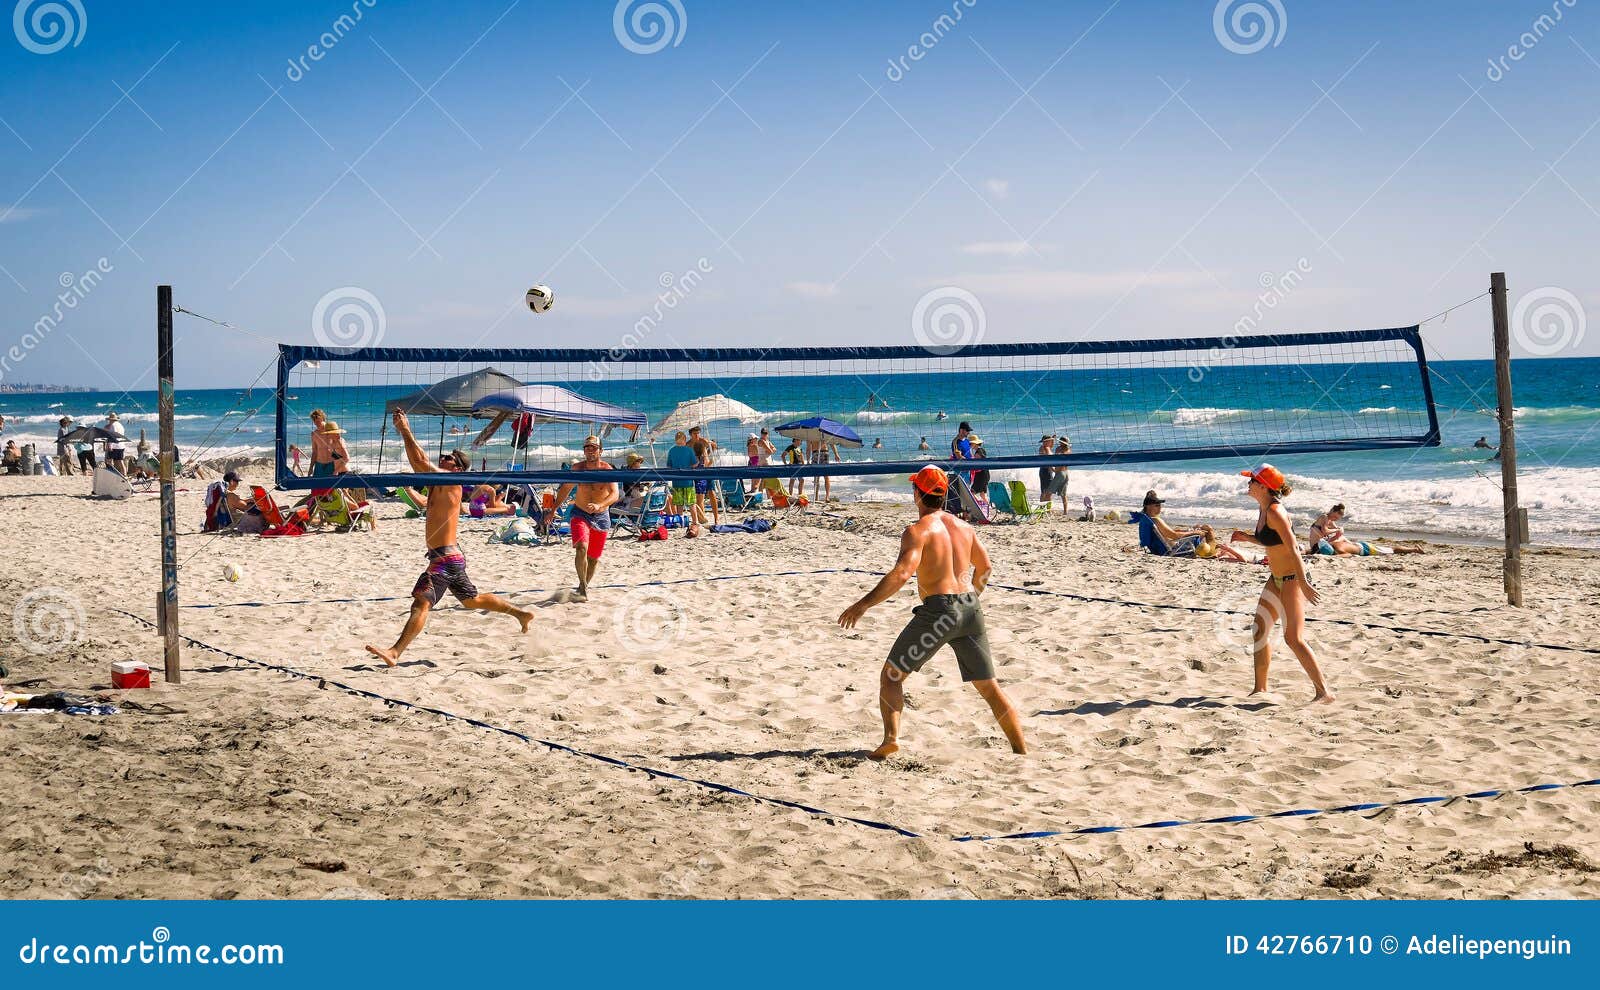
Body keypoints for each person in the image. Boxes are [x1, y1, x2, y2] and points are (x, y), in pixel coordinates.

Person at [838, 465, 1027, 761]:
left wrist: (862, 605)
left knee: (891, 677)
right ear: (944, 494)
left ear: (917, 494)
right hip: (969, 608)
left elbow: (901, 574)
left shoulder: (917, 531)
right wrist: (971, 596)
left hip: (939, 612)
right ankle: (1020, 750)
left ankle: (891, 740)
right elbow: (986, 568)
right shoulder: (965, 527)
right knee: (989, 688)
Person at [365, 411, 532, 667]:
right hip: (452, 556)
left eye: (449, 458)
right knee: (471, 600)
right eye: (444, 456)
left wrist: (405, 430)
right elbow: (421, 482)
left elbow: (420, 460)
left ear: (458, 469)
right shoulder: (438, 484)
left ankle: (396, 651)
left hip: (444, 558)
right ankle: (520, 613)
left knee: (421, 602)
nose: (443, 457)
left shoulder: (451, 482)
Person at [1228, 464, 1332, 703]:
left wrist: (1304, 583)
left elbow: (1294, 548)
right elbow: (1272, 542)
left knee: (1293, 638)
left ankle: (1324, 692)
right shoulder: (1264, 507)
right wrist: (1247, 538)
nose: (1248, 484)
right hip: (1275, 579)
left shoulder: (1276, 512)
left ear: (1263, 486)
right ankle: (1260, 689)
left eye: (1252, 480)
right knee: (1260, 629)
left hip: (1292, 580)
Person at [553, 436, 620, 601]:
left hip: (601, 515)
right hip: (580, 513)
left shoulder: (607, 470)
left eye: (594, 447)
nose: (590, 450)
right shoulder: (577, 468)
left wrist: (600, 505)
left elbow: (615, 494)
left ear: (601, 450)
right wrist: (553, 509)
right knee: (581, 547)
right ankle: (582, 589)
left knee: (593, 559)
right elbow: (566, 489)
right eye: (587, 447)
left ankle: (583, 586)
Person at [1308, 503, 1424, 556]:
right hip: (1362, 547)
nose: (1334, 519)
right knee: (1391, 549)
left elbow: (1335, 534)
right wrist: (1337, 531)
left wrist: (1339, 530)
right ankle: (1414, 549)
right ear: (1332, 511)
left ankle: (1414, 549)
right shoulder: (1324, 517)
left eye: (1336, 519)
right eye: (1334, 517)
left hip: (1359, 547)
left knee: (1391, 549)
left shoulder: (1330, 524)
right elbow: (1325, 531)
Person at [688, 425, 720, 525]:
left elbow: (715, 446)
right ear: (690, 434)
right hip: (696, 471)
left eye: (698, 433)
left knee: (712, 494)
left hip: (707, 469)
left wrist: (709, 451)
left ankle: (716, 518)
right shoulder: (688, 444)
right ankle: (702, 518)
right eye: (695, 434)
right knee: (699, 497)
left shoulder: (703, 441)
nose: (697, 435)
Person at [308, 409, 348, 477]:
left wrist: (340, 466)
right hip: (319, 464)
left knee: (330, 486)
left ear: (323, 419)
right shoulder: (314, 434)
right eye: (314, 421)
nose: (316, 423)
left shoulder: (331, 431)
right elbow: (314, 452)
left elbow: (340, 447)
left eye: (318, 420)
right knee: (316, 486)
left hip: (331, 464)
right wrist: (311, 467)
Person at [1051, 435, 1072, 513]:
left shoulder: (1066, 450)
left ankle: (1047, 510)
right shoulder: (1059, 448)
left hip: (1061, 473)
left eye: (1061, 441)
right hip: (1062, 473)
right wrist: (1053, 439)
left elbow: (1062, 458)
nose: (1060, 442)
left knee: (1049, 492)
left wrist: (1054, 470)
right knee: (1063, 494)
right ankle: (1065, 512)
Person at [1036, 434, 1056, 504]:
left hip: (1042, 470)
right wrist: (1053, 469)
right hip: (1047, 471)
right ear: (1048, 441)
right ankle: (1047, 509)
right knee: (1049, 492)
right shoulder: (1046, 448)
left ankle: (1042, 507)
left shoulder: (1043, 447)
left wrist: (1053, 439)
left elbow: (1051, 446)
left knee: (1044, 491)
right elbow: (1049, 459)